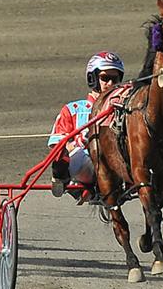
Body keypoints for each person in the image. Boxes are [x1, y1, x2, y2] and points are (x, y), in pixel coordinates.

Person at [48, 51, 124, 191]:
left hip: (118, 164)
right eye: (105, 78)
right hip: (86, 165)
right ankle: (62, 178)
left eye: (115, 79)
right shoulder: (74, 110)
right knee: (74, 157)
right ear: (93, 78)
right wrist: (79, 143)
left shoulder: (123, 110)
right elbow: (57, 145)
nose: (111, 83)